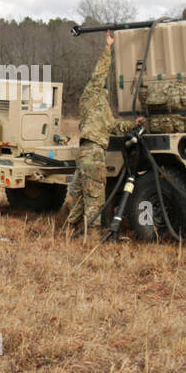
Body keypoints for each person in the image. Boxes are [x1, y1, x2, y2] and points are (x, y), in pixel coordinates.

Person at [65, 31, 144, 235]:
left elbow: (115, 127)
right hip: (92, 152)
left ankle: (69, 230)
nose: (105, 88)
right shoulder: (90, 97)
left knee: (84, 196)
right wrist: (107, 49)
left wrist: (132, 124)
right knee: (95, 197)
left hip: (89, 153)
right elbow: (99, 74)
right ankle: (91, 237)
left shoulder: (103, 109)